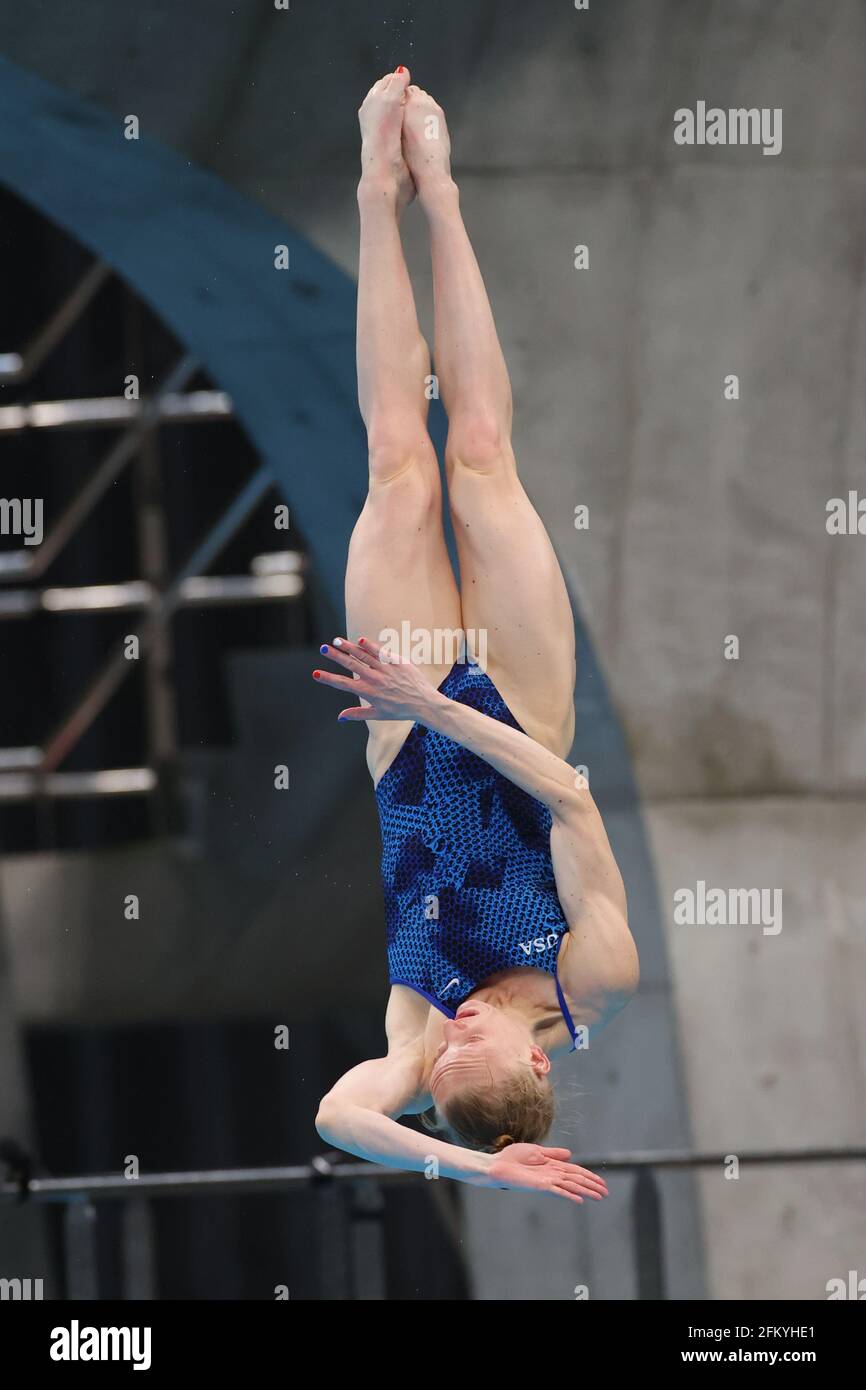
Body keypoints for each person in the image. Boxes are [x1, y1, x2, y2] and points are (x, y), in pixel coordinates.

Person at [312, 69, 638, 1205]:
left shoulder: (417, 1042)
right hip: (508, 707)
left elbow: (340, 1115)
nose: (445, 1032)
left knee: (398, 462)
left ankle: (370, 188)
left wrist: (475, 1168)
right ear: (536, 1056)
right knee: (483, 455)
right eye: (471, 1048)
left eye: (433, 1060)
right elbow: (576, 798)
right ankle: (441, 193)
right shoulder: (590, 977)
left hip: (401, 737)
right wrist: (445, 702)